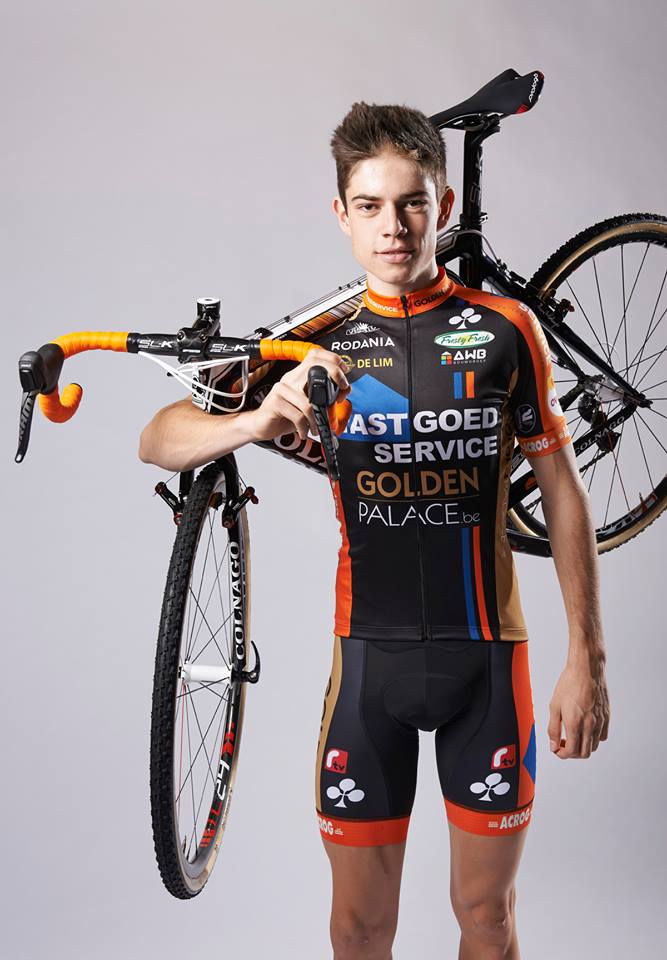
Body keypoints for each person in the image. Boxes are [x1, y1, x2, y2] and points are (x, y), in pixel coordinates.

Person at [139, 101, 610, 960]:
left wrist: (588, 659)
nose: (392, 226)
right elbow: (159, 438)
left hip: (486, 666)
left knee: (487, 919)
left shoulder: (507, 331)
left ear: (443, 205)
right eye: (370, 206)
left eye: (411, 203)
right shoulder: (314, 346)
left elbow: (562, 491)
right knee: (357, 931)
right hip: (367, 669)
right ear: (342, 214)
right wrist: (254, 421)